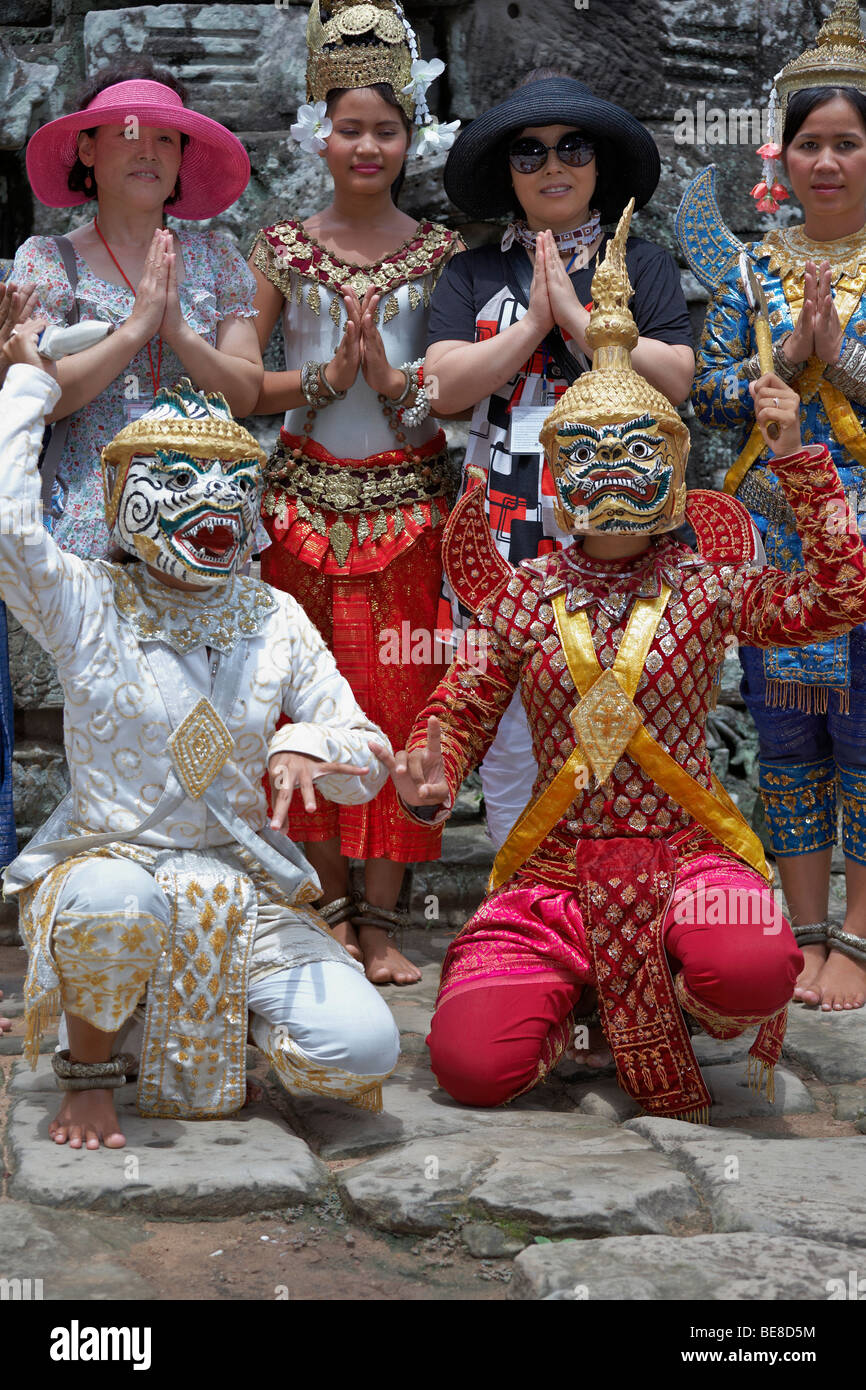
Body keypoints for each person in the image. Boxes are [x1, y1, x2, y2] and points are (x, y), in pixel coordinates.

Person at [374, 205, 866, 1121]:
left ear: (676, 468)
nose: (612, 473)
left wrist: (799, 465)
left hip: (686, 853)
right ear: (557, 476)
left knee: (754, 966)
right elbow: (461, 708)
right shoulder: (521, 593)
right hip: (554, 870)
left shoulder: (707, 585)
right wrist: (430, 769)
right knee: (473, 1067)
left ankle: (669, 992)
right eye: (588, 454)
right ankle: (581, 999)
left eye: (639, 451)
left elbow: (836, 599)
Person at [0, 319, 399, 1150]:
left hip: (238, 879)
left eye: (229, 482)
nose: (211, 501)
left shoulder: (274, 615)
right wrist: (29, 387)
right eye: (179, 478)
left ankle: (192, 1026)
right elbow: (9, 532)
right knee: (116, 901)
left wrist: (312, 746)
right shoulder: (88, 600)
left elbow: (365, 751)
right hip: (109, 864)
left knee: (363, 1048)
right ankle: (91, 1072)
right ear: (123, 500)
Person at [424, 73, 695, 850]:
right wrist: (533, 323)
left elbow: (675, 378)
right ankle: (523, 911)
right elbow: (441, 386)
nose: (553, 165)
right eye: (529, 152)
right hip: (505, 527)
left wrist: (577, 317)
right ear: (508, 173)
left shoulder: (640, 264)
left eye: (572, 147)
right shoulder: (475, 272)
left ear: (598, 164)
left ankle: (619, 908)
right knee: (509, 738)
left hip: (620, 524)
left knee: (624, 721)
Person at [247, 0, 460, 986]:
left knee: (393, 702)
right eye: (349, 127)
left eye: (386, 128)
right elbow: (245, 385)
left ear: (413, 137)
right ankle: (326, 904)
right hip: (297, 504)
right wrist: (324, 383)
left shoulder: (439, 255)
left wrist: (391, 388)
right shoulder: (280, 248)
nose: (366, 145)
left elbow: (443, 407)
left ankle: (383, 920)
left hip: (409, 504)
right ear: (315, 134)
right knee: (302, 706)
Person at [682, 0, 866, 1012]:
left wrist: (832, 354)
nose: (825, 163)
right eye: (808, 145)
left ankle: (858, 935)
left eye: (845, 143)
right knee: (788, 736)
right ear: (779, 158)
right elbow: (710, 393)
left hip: (861, 530)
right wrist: (778, 360)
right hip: (771, 535)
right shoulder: (750, 270)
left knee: (864, 736)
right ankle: (801, 928)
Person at [12, 58, 262, 561]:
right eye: (128, 134)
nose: (148, 151)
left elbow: (246, 393)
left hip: (205, 517)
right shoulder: (47, 261)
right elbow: (38, 396)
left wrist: (179, 333)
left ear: (179, 161)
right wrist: (135, 330)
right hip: (88, 520)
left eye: (166, 139)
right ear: (87, 148)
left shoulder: (216, 258)